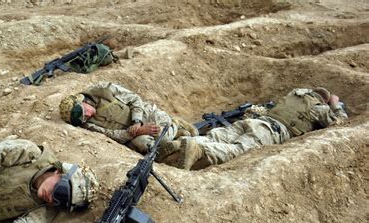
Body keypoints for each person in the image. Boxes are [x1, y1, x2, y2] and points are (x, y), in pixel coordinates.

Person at [159, 87, 348, 170]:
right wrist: (335, 104)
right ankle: (199, 148)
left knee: (218, 136)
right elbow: (340, 123)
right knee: (238, 150)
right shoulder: (319, 108)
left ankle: (182, 142)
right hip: (271, 131)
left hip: (255, 121)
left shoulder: (295, 95)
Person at [58, 82, 198, 154]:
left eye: (84, 111)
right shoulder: (87, 124)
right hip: (132, 134)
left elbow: (134, 99)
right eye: (83, 118)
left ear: (81, 101)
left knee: (164, 137)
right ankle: (178, 136)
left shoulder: (103, 90)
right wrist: (138, 131)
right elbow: (111, 134)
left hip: (147, 114)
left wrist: (137, 121)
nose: (87, 116)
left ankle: (175, 124)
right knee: (147, 146)